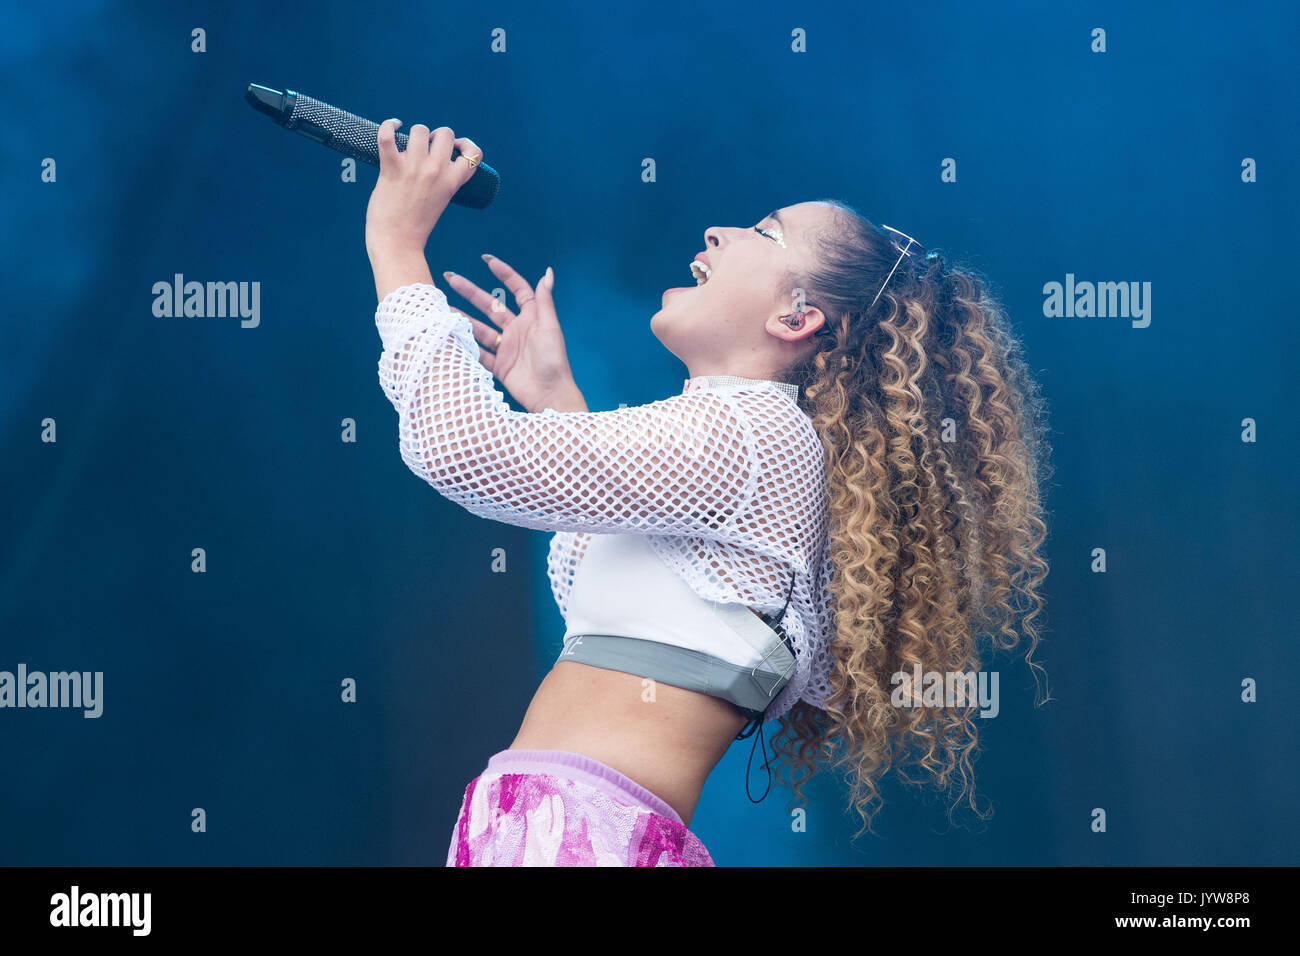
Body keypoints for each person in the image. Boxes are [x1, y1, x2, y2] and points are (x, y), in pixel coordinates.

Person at [365, 121, 1052, 867]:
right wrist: (555, 403)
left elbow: (460, 449)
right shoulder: (757, 449)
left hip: (582, 837)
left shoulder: (754, 434)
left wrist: (398, 247)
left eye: (764, 231)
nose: (718, 232)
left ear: (797, 317)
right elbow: (620, 617)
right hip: (565, 830)